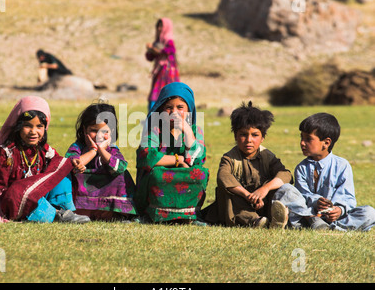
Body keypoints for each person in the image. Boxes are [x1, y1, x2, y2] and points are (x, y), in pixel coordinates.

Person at [0, 96, 90, 224]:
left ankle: (63, 211)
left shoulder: (44, 150)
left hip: (37, 198)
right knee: (17, 190)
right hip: (14, 202)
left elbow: (60, 168)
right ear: (18, 127)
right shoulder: (6, 153)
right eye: (28, 126)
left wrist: (75, 165)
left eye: (39, 126)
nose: (33, 132)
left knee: (63, 166)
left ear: (45, 128)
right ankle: (56, 215)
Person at [273, 113, 375, 231]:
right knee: (285, 189)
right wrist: (316, 202)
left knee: (370, 213)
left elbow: (347, 197)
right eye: (301, 137)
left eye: (308, 139)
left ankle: (330, 227)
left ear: (326, 143)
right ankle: (313, 221)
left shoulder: (342, 166)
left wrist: (339, 210)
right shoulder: (301, 168)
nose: (302, 143)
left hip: (335, 217)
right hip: (309, 213)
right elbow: (302, 195)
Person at [201, 102, 292, 228]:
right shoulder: (229, 158)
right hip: (237, 208)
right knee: (228, 191)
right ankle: (254, 221)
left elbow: (285, 174)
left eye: (255, 135)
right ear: (235, 136)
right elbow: (223, 176)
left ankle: (275, 218)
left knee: (278, 186)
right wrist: (248, 196)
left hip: (262, 204)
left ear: (263, 137)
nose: (249, 140)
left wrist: (264, 189)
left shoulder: (268, 156)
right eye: (243, 134)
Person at [135, 82, 209, 224]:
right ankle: (151, 214)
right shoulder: (155, 129)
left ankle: (190, 215)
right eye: (169, 107)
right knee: (157, 174)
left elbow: (198, 160)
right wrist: (179, 160)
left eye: (180, 107)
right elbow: (147, 156)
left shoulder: (194, 131)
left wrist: (187, 131)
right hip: (160, 178)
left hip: (184, 175)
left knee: (201, 173)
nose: (174, 112)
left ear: (189, 110)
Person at [65, 102, 137, 221]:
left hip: (105, 191)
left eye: (105, 132)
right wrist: (93, 151)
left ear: (111, 132)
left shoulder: (112, 150)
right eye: (94, 130)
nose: (99, 135)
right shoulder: (77, 147)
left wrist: (102, 150)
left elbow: (119, 167)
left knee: (122, 175)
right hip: (82, 195)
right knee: (68, 178)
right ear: (84, 130)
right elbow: (73, 164)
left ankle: (114, 213)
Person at [145, 18, 180, 112]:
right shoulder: (157, 42)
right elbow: (150, 57)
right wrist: (150, 50)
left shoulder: (168, 40)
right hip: (159, 71)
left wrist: (155, 49)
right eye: (158, 26)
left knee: (170, 95)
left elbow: (171, 50)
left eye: (161, 26)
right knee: (155, 95)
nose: (159, 28)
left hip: (168, 72)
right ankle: (152, 117)